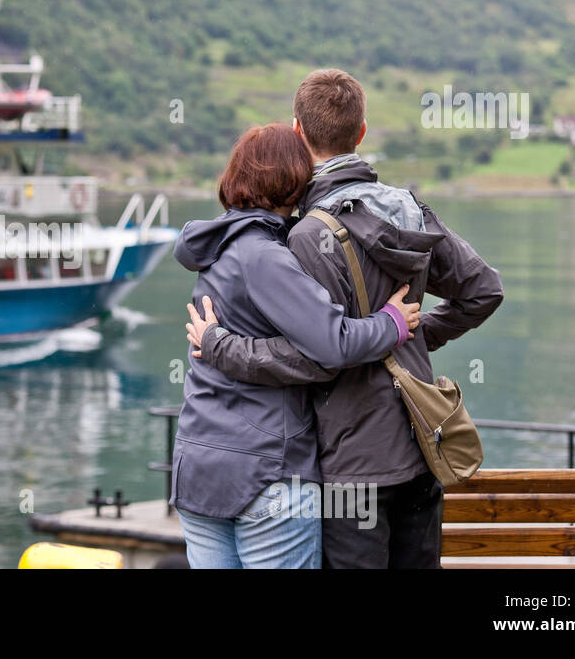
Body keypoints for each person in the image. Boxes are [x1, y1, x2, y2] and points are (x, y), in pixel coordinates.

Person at [186, 69, 503, 569]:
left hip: (350, 466)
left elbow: (319, 358)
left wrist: (221, 346)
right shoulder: (410, 209)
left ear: (296, 131)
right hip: (423, 446)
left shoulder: (303, 237)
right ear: (361, 132)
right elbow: (483, 291)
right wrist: (410, 338)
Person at [172, 122, 420, 569]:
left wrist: (217, 344)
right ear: (292, 180)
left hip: (199, 468)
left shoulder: (216, 248)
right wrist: (391, 323)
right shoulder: (265, 257)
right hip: (266, 473)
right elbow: (332, 345)